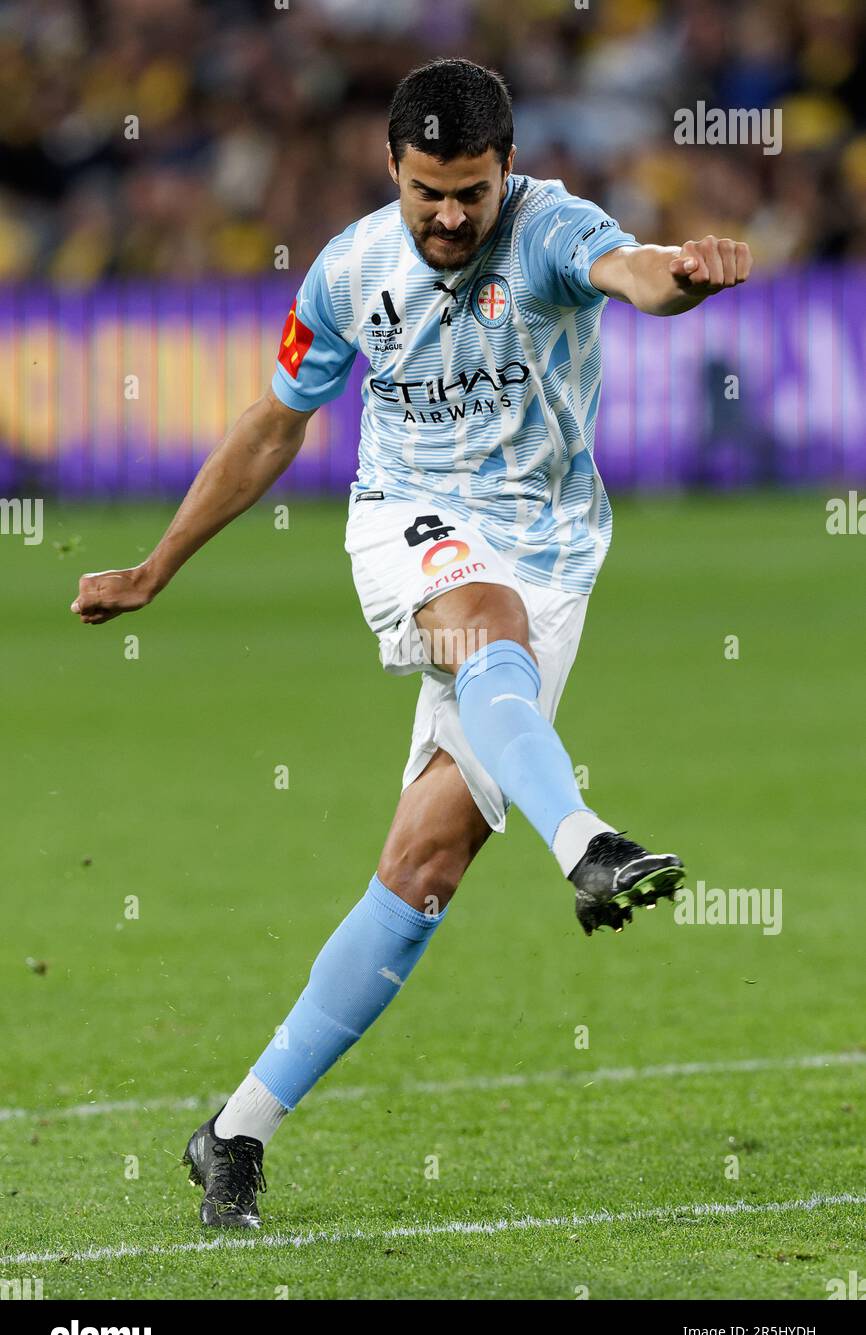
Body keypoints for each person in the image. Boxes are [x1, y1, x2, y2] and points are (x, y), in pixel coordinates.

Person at [71, 59, 753, 1228]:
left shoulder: (547, 229)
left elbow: (628, 271)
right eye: (427, 190)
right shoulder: (348, 270)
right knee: (476, 616)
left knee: (422, 871)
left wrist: (680, 276)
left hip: (551, 556)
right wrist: (154, 566)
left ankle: (233, 1130)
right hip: (408, 528)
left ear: (506, 171)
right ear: (391, 164)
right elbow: (272, 426)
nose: (448, 215)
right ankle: (585, 840)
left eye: (470, 193)